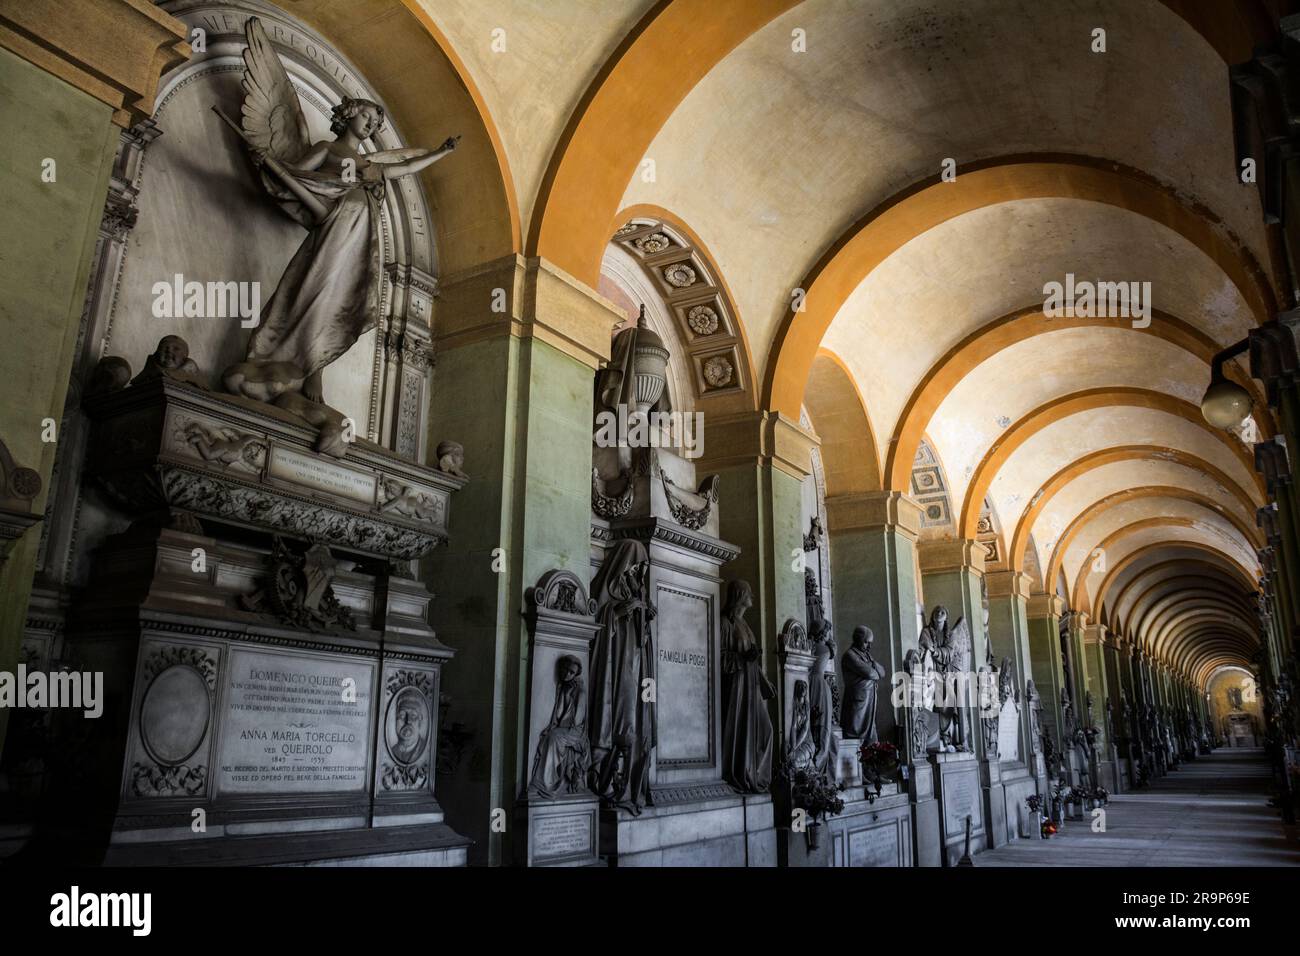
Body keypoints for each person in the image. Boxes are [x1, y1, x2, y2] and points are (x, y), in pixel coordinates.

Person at [587, 540, 657, 812]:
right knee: (619, 716)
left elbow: (643, 632)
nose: (638, 571)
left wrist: (645, 614)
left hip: (637, 663)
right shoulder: (608, 586)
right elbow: (599, 616)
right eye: (635, 564)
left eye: (642, 567)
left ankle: (627, 785)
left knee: (635, 719)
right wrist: (619, 612)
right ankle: (607, 781)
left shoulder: (637, 588)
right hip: (618, 662)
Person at [720, 581, 774, 792]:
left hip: (751, 685)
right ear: (740, 595)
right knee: (741, 730)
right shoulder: (726, 623)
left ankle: (756, 777)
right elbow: (719, 657)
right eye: (749, 592)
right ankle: (740, 774)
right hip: (737, 687)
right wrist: (742, 659)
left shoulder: (744, 624)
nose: (752, 594)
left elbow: (753, 659)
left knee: (766, 730)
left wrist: (764, 681)